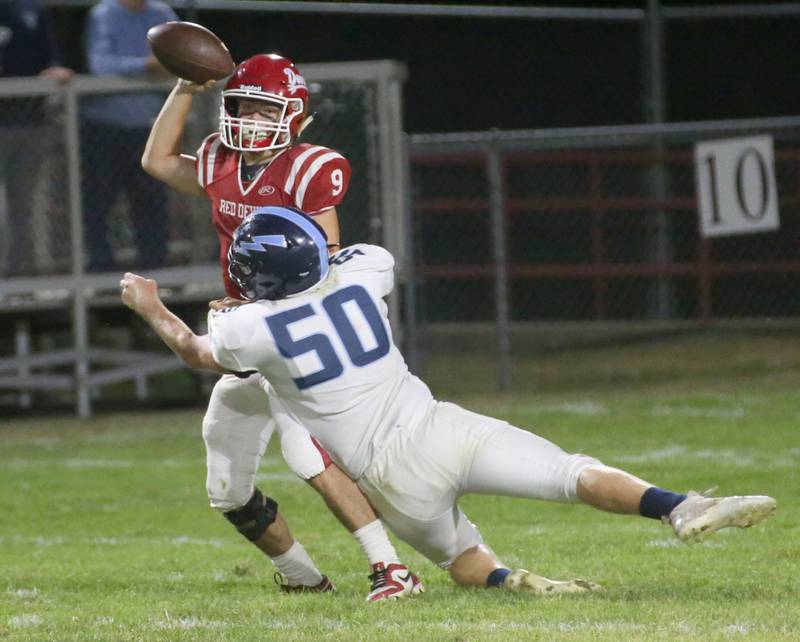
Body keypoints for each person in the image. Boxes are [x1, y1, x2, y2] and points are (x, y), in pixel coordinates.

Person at [120, 206, 778, 594]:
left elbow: (195, 350)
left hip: (391, 477)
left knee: (462, 559)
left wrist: (151, 307)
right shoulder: (363, 273)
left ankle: (510, 580)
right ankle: (678, 506)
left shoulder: (251, 329)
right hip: (443, 427)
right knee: (571, 472)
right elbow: (346, 259)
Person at [140, 53, 421, 601]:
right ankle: (304, 578)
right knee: (226, 486)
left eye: (265, 110)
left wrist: (263, 301)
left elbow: (325, 267)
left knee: (305, 452)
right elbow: (158, 160)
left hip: (285, 335)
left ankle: (391, 568)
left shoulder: (306, 169)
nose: (250, 119)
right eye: (243, 106)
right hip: (247, 335)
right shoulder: (221, 161)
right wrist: (185, 87)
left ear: (293, 116)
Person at [81, 0, 175, 271]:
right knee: (99, 202)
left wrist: (167, 65)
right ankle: (101, 269)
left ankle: (156, 269)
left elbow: (183, 54)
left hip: (150, 129)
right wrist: (146, 66)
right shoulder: (103, 14)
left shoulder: (161, 13)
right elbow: (100, 64)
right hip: (105, 128)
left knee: (151, 201)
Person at [0, 0, 73, 276]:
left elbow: (50, 56)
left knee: (23, 205)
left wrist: (56, 69)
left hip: (31, 121)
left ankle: (16, 276)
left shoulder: (33, 9)